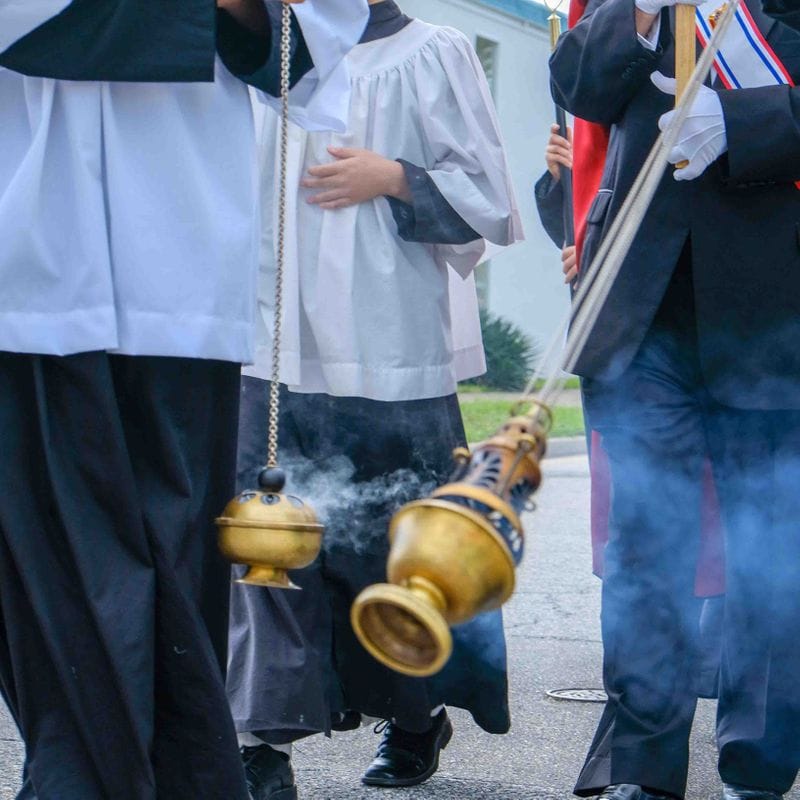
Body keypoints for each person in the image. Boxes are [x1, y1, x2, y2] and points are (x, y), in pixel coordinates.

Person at [0, 2, 366, 798]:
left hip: (177, 241)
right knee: (49, 563)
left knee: (169, 549)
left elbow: (306, 32)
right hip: (28, 233)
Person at [226, 2, 524, 797]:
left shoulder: (429, 53)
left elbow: (493, 200)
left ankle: (417, 717)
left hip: (387, 344)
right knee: (265, 544)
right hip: (267, 341)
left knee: (395, 551)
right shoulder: (252, 51)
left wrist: (393, 177)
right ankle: (261, 743)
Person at [551, 0, 800, 798]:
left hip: (777, 303)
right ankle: (641, 770)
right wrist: (640, 12)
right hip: (643, 302)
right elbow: (576, 85)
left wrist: (747, 121)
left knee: (772, 549)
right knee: (645, 542)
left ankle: (757, 766)